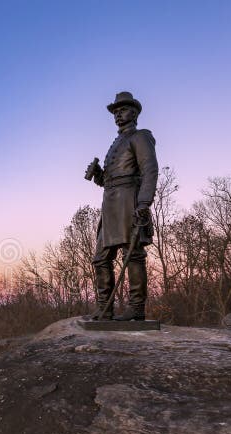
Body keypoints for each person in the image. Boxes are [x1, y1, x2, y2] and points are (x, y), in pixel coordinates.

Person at [85, 91, 159, 320]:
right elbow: (110, 180)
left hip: (129, 200)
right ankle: (104, 308)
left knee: (133, 254)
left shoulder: (140, 137)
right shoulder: (117, 142)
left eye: (123, 110)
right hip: (110, 205)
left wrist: (144, 203)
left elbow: (150, 170)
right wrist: (99, 175)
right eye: (115, 112)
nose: (118, 115)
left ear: (135, 113)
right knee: (101, 257)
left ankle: (136, 309)